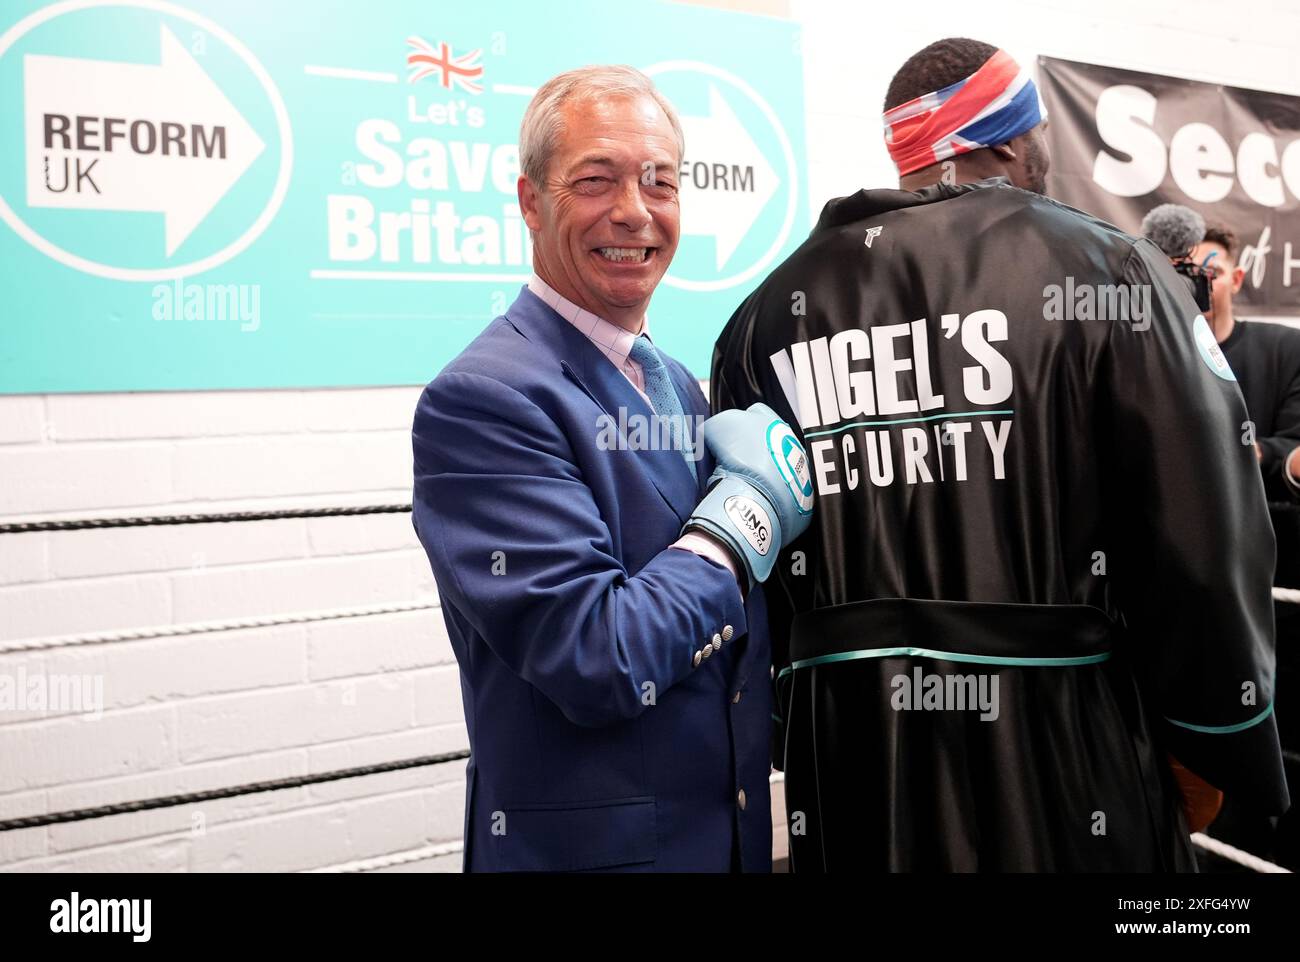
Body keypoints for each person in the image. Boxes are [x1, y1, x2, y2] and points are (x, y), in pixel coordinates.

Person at [711, 38, 1289, 871]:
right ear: (1014, 138)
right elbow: (1207, 537)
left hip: (852, 778)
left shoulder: (764, 320)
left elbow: (752, 567)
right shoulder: (1114, 275)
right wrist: (1221, 741)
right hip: (1072, 773)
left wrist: (785, 725)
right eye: (1042, 130)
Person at [411, 65, 811, 872]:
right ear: (531, 202)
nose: (634, 209)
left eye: (659, 181)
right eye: (596, 180)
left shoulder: (669, 379)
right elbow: (597, 655)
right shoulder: (485, 400)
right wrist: (739, 527)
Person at [1193, 224, 1300, 502]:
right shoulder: (1143, 359)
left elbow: (1294, 449)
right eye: (1185, 275)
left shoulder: (1287, 350)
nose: (1198, 286)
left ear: (1236, 279)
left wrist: (1256, 452)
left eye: (1211, 273)